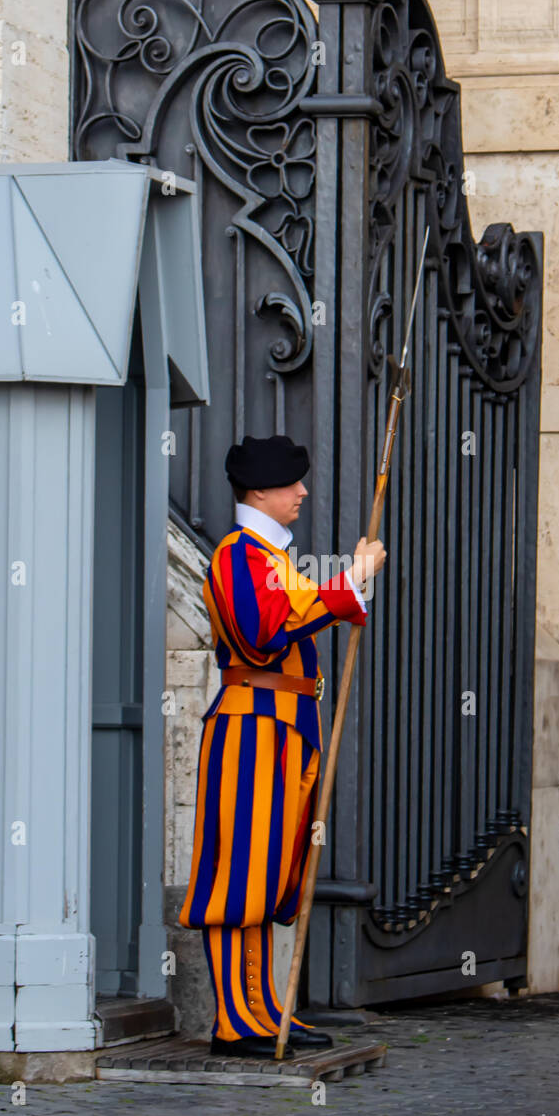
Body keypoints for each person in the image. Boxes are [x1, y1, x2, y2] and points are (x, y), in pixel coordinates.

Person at [178, 434, 387, 1058]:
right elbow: (267, 629)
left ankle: (265, 1008)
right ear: (260, 491)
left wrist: (346, 593)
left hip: (283, 728)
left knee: (271, 873)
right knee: (240, 873)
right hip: (252, 728)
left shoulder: (272, 557)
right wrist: (350, 583)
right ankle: (236, 1019)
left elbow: (301, 609)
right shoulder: (239, 556)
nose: (301, 492)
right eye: (291, 483)